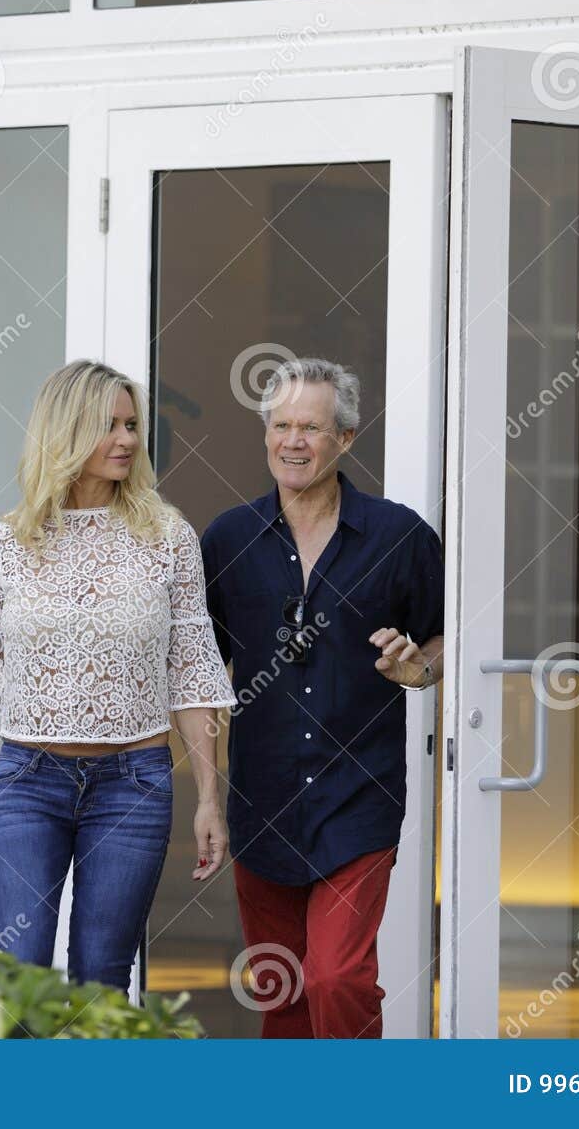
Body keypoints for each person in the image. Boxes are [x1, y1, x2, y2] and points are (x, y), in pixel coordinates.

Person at [0, 359, 236, 993]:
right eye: (109, 425)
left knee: (99, 985)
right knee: (15, 982)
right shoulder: (8, 543)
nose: (128, 439)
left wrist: (210, 797)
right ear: (65, 432)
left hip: (133, 786)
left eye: (132, 425)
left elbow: (195, 675)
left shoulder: (169, 538)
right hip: (26, 782)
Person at [200, 355, 445, 1038]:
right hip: (262, 802)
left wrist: (417, 670)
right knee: (281, 988)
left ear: (347, 437)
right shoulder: (226, 539)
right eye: (281, 425)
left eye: (311, 426)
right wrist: (203, 796)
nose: (293, 441)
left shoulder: (399, 538)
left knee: (337, 975)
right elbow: (196, 668)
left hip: (358, 799)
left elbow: (448, 636)